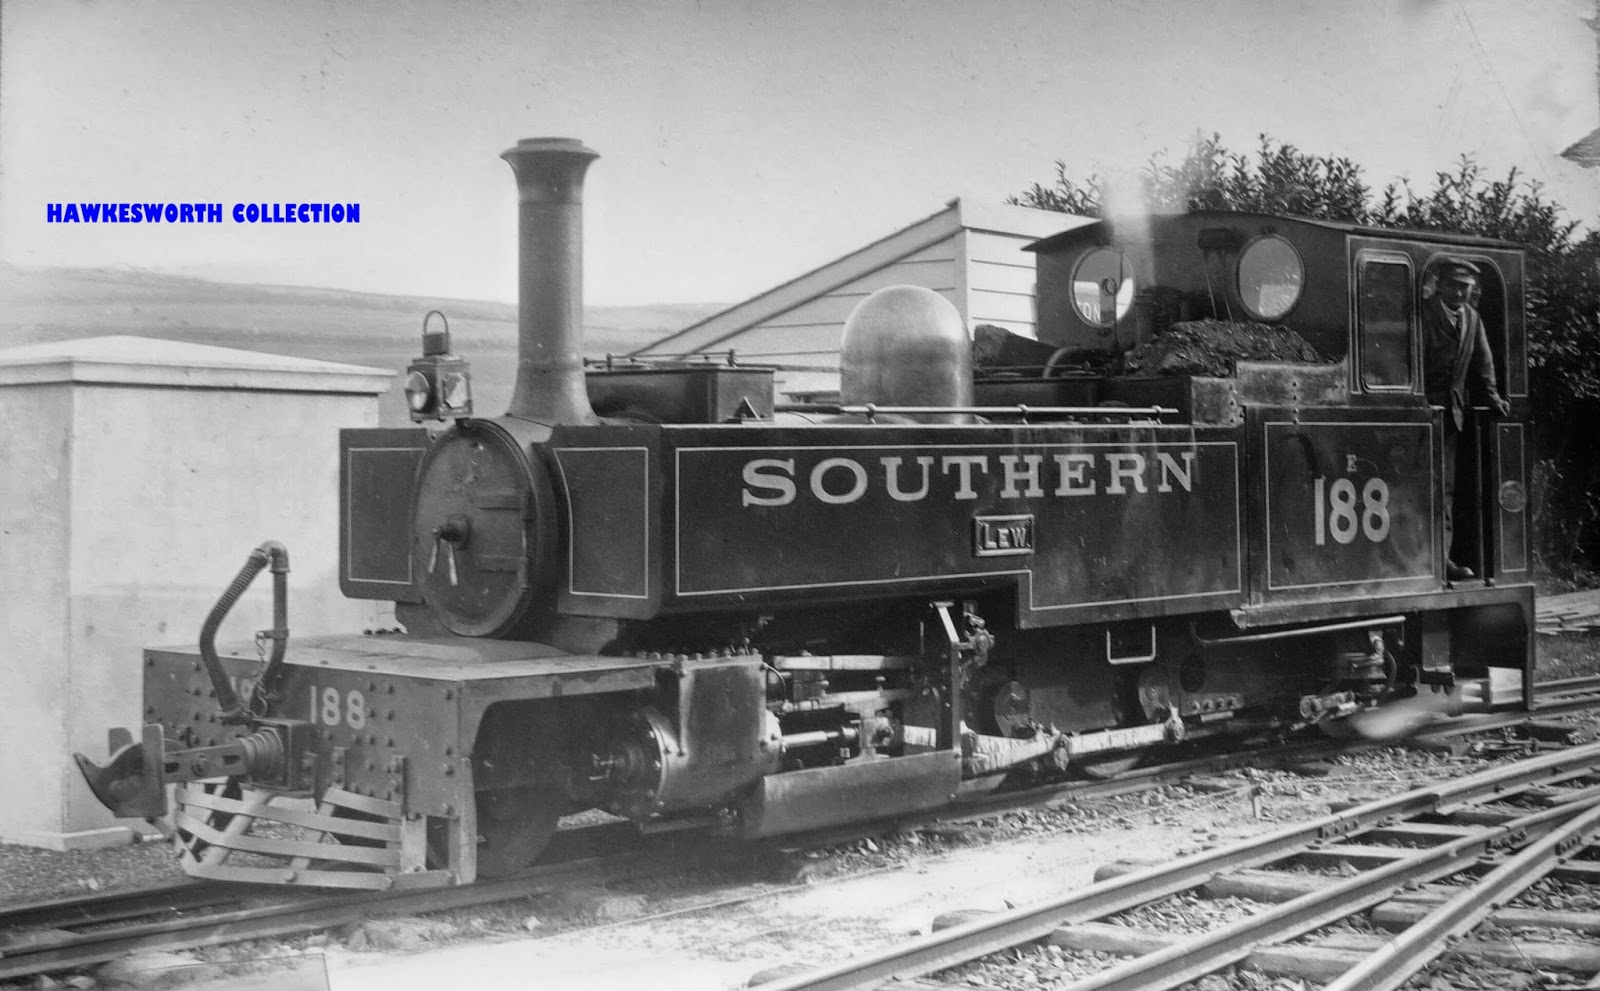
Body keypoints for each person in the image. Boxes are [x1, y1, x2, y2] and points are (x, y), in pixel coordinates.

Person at [1421, 258, 1511, 581]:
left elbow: (1483, 363)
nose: (1459, 293)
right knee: (1419, 490)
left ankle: (1441, 561)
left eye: (1465, 287)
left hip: (1453, 417)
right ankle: (1421, 562)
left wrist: (1494, 398)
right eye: (1453, 285)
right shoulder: (1422, 314)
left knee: (1444, 491)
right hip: (1420, 415)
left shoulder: (1472, 319)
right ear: (1440, 284)